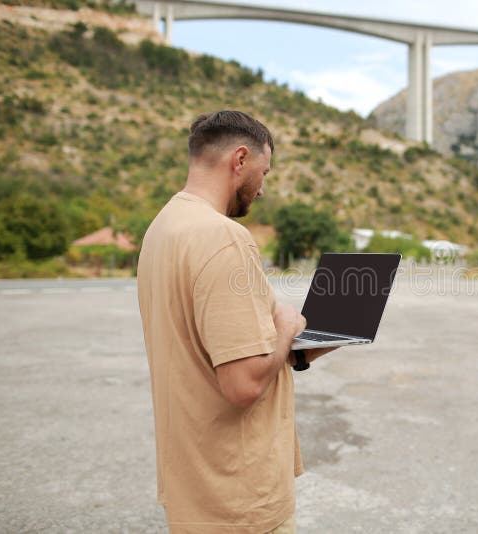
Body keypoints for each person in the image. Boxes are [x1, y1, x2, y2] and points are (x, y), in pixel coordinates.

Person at [137, 110, 334, 533]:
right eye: (264, 172)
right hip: (240, 501)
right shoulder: (223, 238)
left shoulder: (164, 227)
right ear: (240, 159)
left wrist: (307, 347)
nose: (262, 189)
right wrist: (287, 327)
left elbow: (205, 350)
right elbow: (242, 385)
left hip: (194, 488)